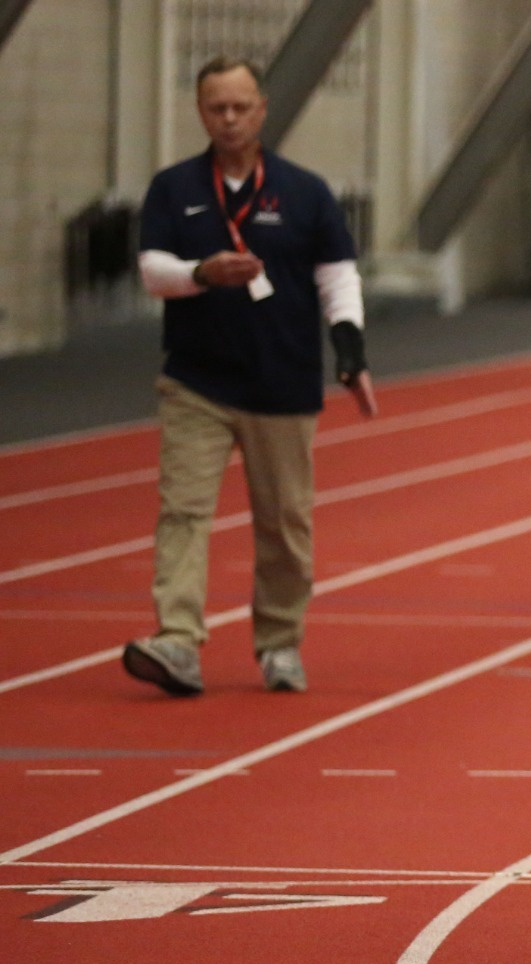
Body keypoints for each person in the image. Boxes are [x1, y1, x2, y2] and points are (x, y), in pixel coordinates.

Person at [121, 56, 373, 698]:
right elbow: (151, 269)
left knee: (284, 523)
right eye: (216, 108)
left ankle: (280, 643)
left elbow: (337, 276)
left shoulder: (305, 192)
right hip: (196, 382)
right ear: (201, 112)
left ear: (262, 109)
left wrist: (350, 354)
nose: (229, 119)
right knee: (183, 512)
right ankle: (177, 641)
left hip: (283, 385)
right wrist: (202, 273)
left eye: (240, 107)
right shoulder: (175, 189)